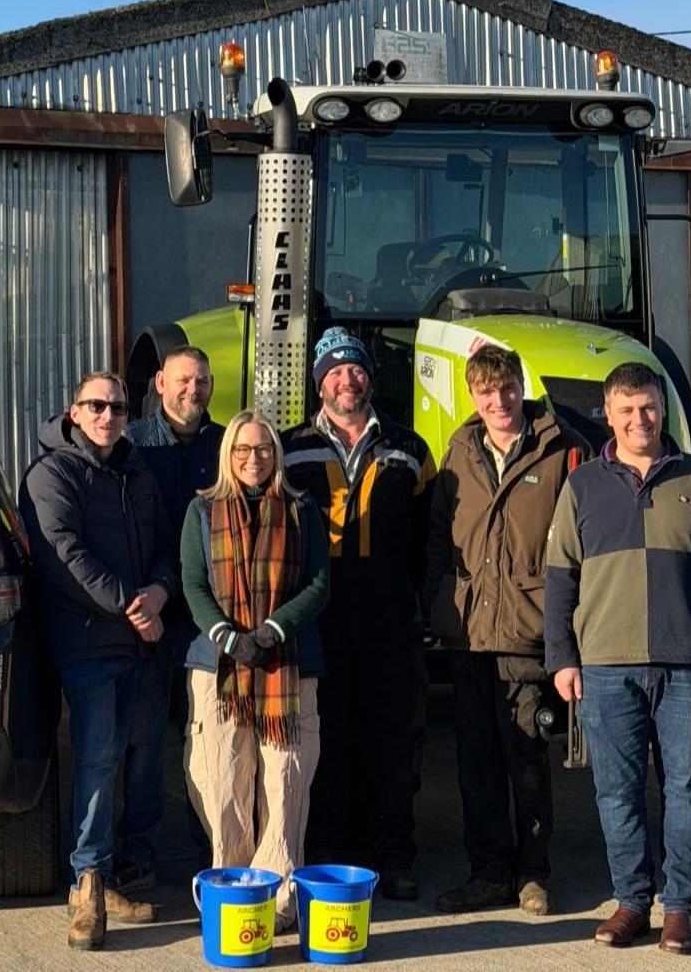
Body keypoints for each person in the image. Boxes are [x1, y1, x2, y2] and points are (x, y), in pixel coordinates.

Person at [544, 362, 691, 954]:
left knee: (686, 788)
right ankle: (633, 902)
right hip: (606, 668)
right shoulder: (582, 484)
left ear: (664, 411)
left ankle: (680, 908)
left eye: (650, 407)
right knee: (616, 790)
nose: (641, 419)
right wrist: (563, 657)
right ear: (608, 416)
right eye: (628, 409)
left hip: (687, 665)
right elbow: (560, 576)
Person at [426, 345, 591, 916]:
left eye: (507, 388)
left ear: (521, 387)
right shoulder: (458, 452)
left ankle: (532, 874)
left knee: (526, 757)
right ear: (472, 395)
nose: (498, 401)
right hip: (469, 634)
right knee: (476, 761)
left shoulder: (561, 449)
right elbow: (437, 539)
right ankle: (488, 873)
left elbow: (580, 542)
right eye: (486, 391)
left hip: (526, 630)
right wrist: (437, 599)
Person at [18, 371, 176, 951]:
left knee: (140, 755)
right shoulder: (51, 473)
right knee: (98, 758)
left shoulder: (136, 470)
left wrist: (160, 590)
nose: (108, 415)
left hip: (142, 637)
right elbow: (63, 554)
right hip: (89, 640)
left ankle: (112, 873)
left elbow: (165, 540)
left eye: (117, 407)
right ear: (74, 411)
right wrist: (130, 607)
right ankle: (86, 884)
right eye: (97, 406)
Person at [283, 326, 436, 901]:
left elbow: (428, 537)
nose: (348, 379)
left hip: (391, 619)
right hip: (321, 618)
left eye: (356, 368)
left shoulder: (409, 447)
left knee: (394, 742)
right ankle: (331, 856)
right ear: (320, 381)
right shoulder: (291, 446)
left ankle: (395, 857)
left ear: (370, 376)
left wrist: (419, 602)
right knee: (327, 738)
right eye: (336, 370)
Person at [180, 410, 329, 931]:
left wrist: (269, 633)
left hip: (287, 665)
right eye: (242, 449)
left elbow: (318, 584)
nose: (253, 458)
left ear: (276, 454)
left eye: (263, 448)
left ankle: (279, 902)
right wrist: (229, 638)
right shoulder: (201, 511)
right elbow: (193, 585)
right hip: (218, 668)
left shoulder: (302, 509)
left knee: (285, 787)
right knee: (222, 782)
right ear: (228, 455)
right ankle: (234, 897)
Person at [119, 345, 224, 890]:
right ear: (160, 383)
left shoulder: (226, 444)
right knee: (145, 741)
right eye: (183, 380)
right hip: (152, 616)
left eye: (202, 381)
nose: (193, 391)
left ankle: (216, 852)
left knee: (211, 739)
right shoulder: (133, 443)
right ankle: (138, 854)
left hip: (212, 619)